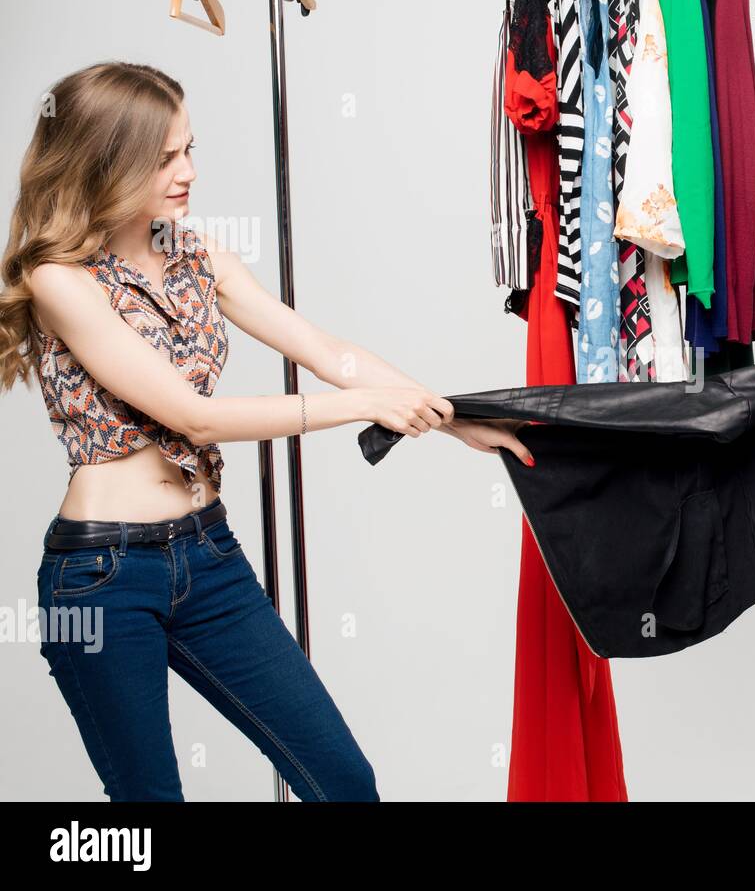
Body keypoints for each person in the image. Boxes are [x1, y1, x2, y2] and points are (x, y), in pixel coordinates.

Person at [0, 61, 532, 801]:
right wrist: (358, 410)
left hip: (206, 552)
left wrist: (449, 417)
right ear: (108, 162)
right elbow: (193, 417)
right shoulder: (63, 281)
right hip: (101, 577)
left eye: (191, 149)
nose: (188, 172)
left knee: (343, 781)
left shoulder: (198, 255)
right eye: (164, 158)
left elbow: (325, 351)